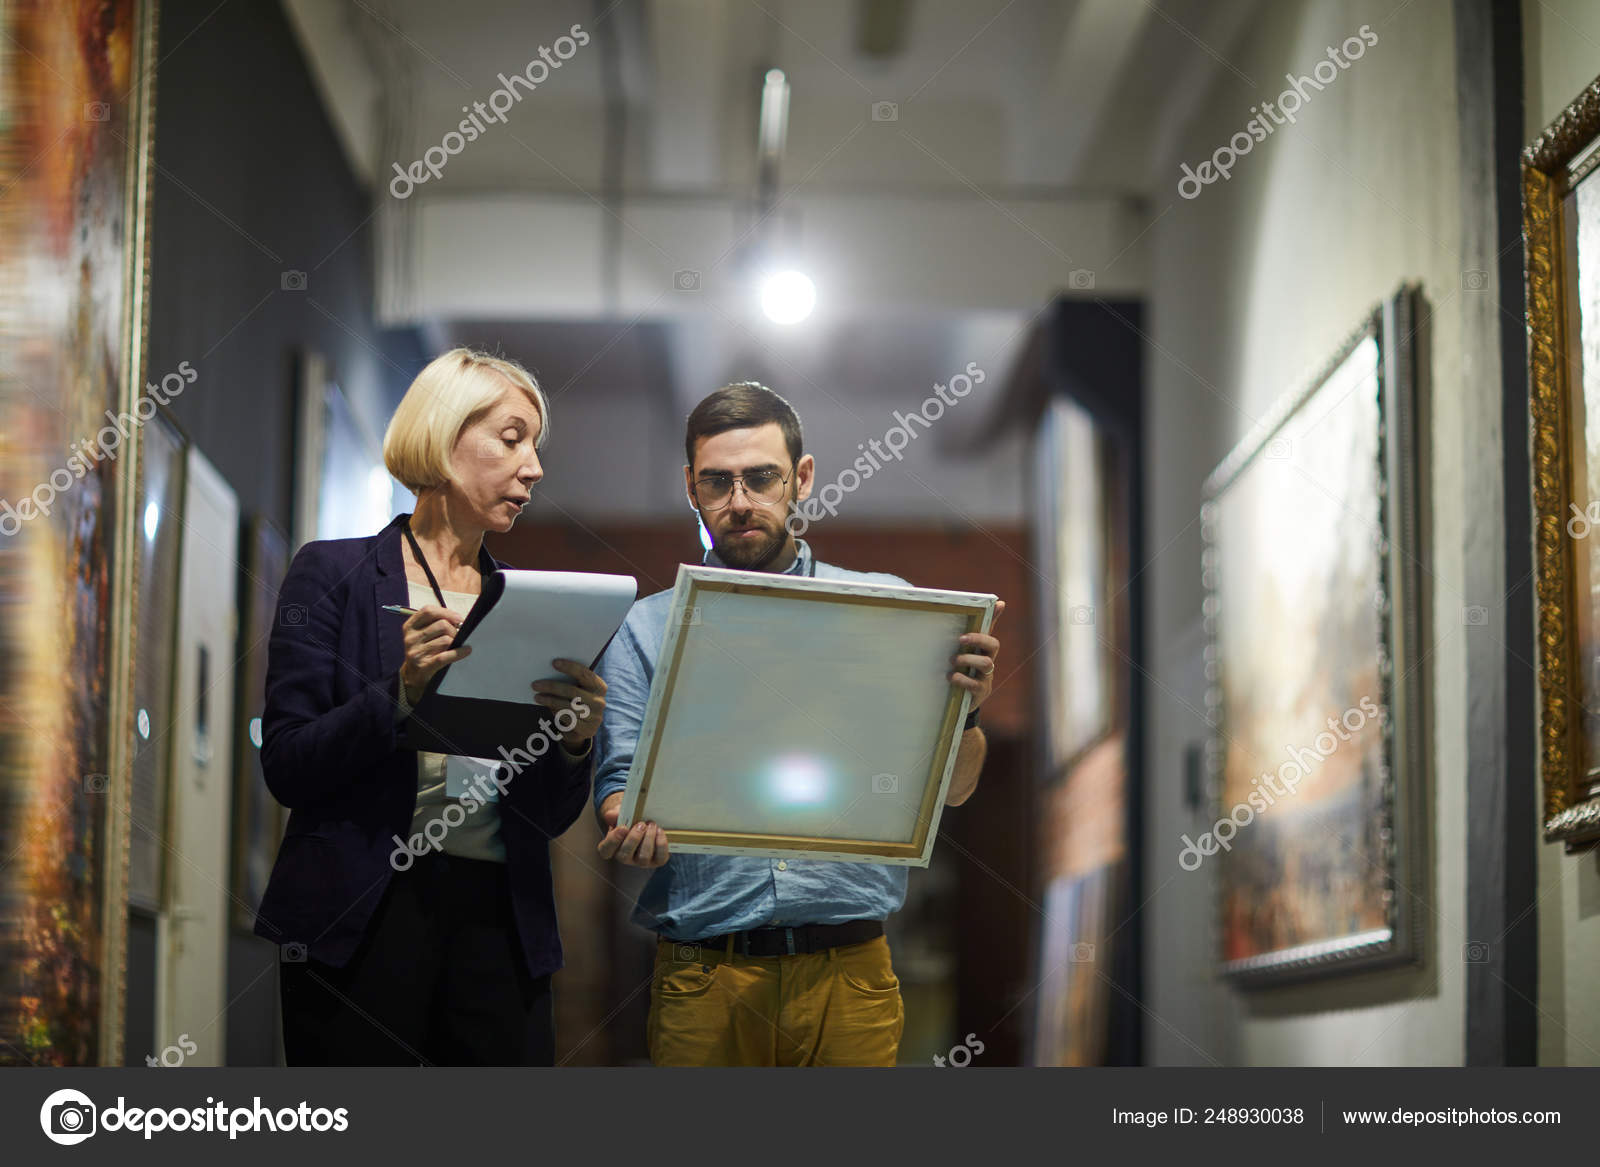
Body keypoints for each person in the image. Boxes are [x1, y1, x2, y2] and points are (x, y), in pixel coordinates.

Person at [591, 382, 1004, 1067]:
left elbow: (954, 791)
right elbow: (617, 790)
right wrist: (629, 825)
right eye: (718, 482)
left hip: (851, 968)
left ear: (802, 478)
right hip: (703, 974)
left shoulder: (890, 612)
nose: (740, 500)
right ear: (691, 487)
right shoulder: (644, 628)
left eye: (761, 478)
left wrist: (970, 711)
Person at [256, 347, 607, 1066]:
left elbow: (543, 819)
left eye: (536, 447)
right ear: (446, 437)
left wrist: (575, 743)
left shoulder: (532, 611)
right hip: (361, 917)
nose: (534, 468)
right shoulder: (334, 572)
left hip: (500, 928)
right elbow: (288, 765)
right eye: (512, 439)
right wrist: (400, 697)